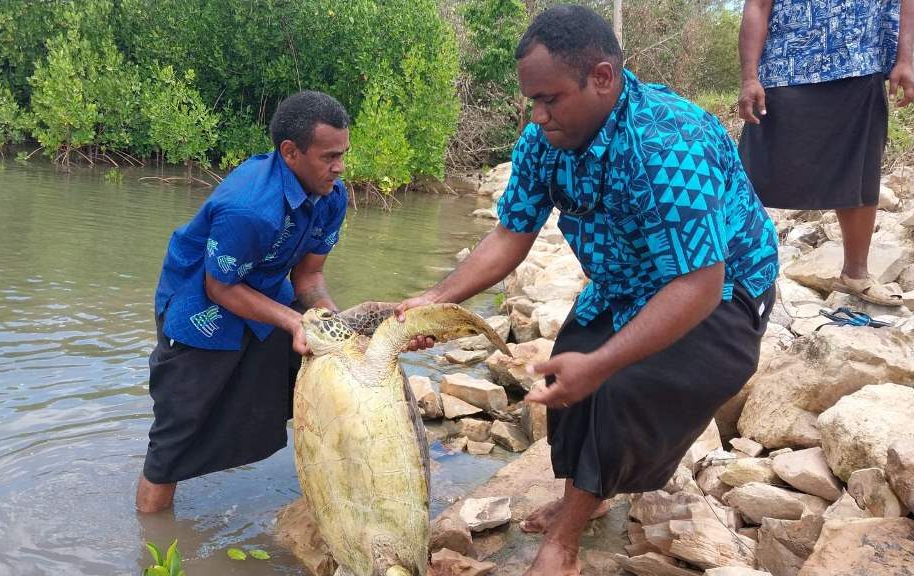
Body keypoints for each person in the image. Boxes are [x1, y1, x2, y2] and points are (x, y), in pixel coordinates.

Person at [394, 5, 780, 575]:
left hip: (727, 294)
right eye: (531, 100)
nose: (537, 115)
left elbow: (700, 284)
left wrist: (602, 364)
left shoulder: (669, 141)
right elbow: (509, 236)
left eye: (550, 99)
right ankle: (585, 496)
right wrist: (436, 300)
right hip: (628, 284)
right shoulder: (543, 142)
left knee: (622, 386)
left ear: (602, 77)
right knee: (567, 370)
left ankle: (565, 543)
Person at [136, 90, 351, 513]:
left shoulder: (332, 197)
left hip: (266, 294)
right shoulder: (250, 208)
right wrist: (294, 322)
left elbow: (308, 276)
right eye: (329, 157)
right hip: (201, 311)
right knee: (172, 444)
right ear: (290, 152)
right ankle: (152, 539)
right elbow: (220, 288)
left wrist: (331, 322)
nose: (339, 167)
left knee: (331, 377)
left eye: (343, 154)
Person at [738, 0, 913, 306]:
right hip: (787, 66)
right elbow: (758, 5)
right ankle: (732, 269)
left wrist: (906, 59)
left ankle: (856, 273)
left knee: (859, 168)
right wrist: (750, 78)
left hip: (860, 60)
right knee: (752, 173)